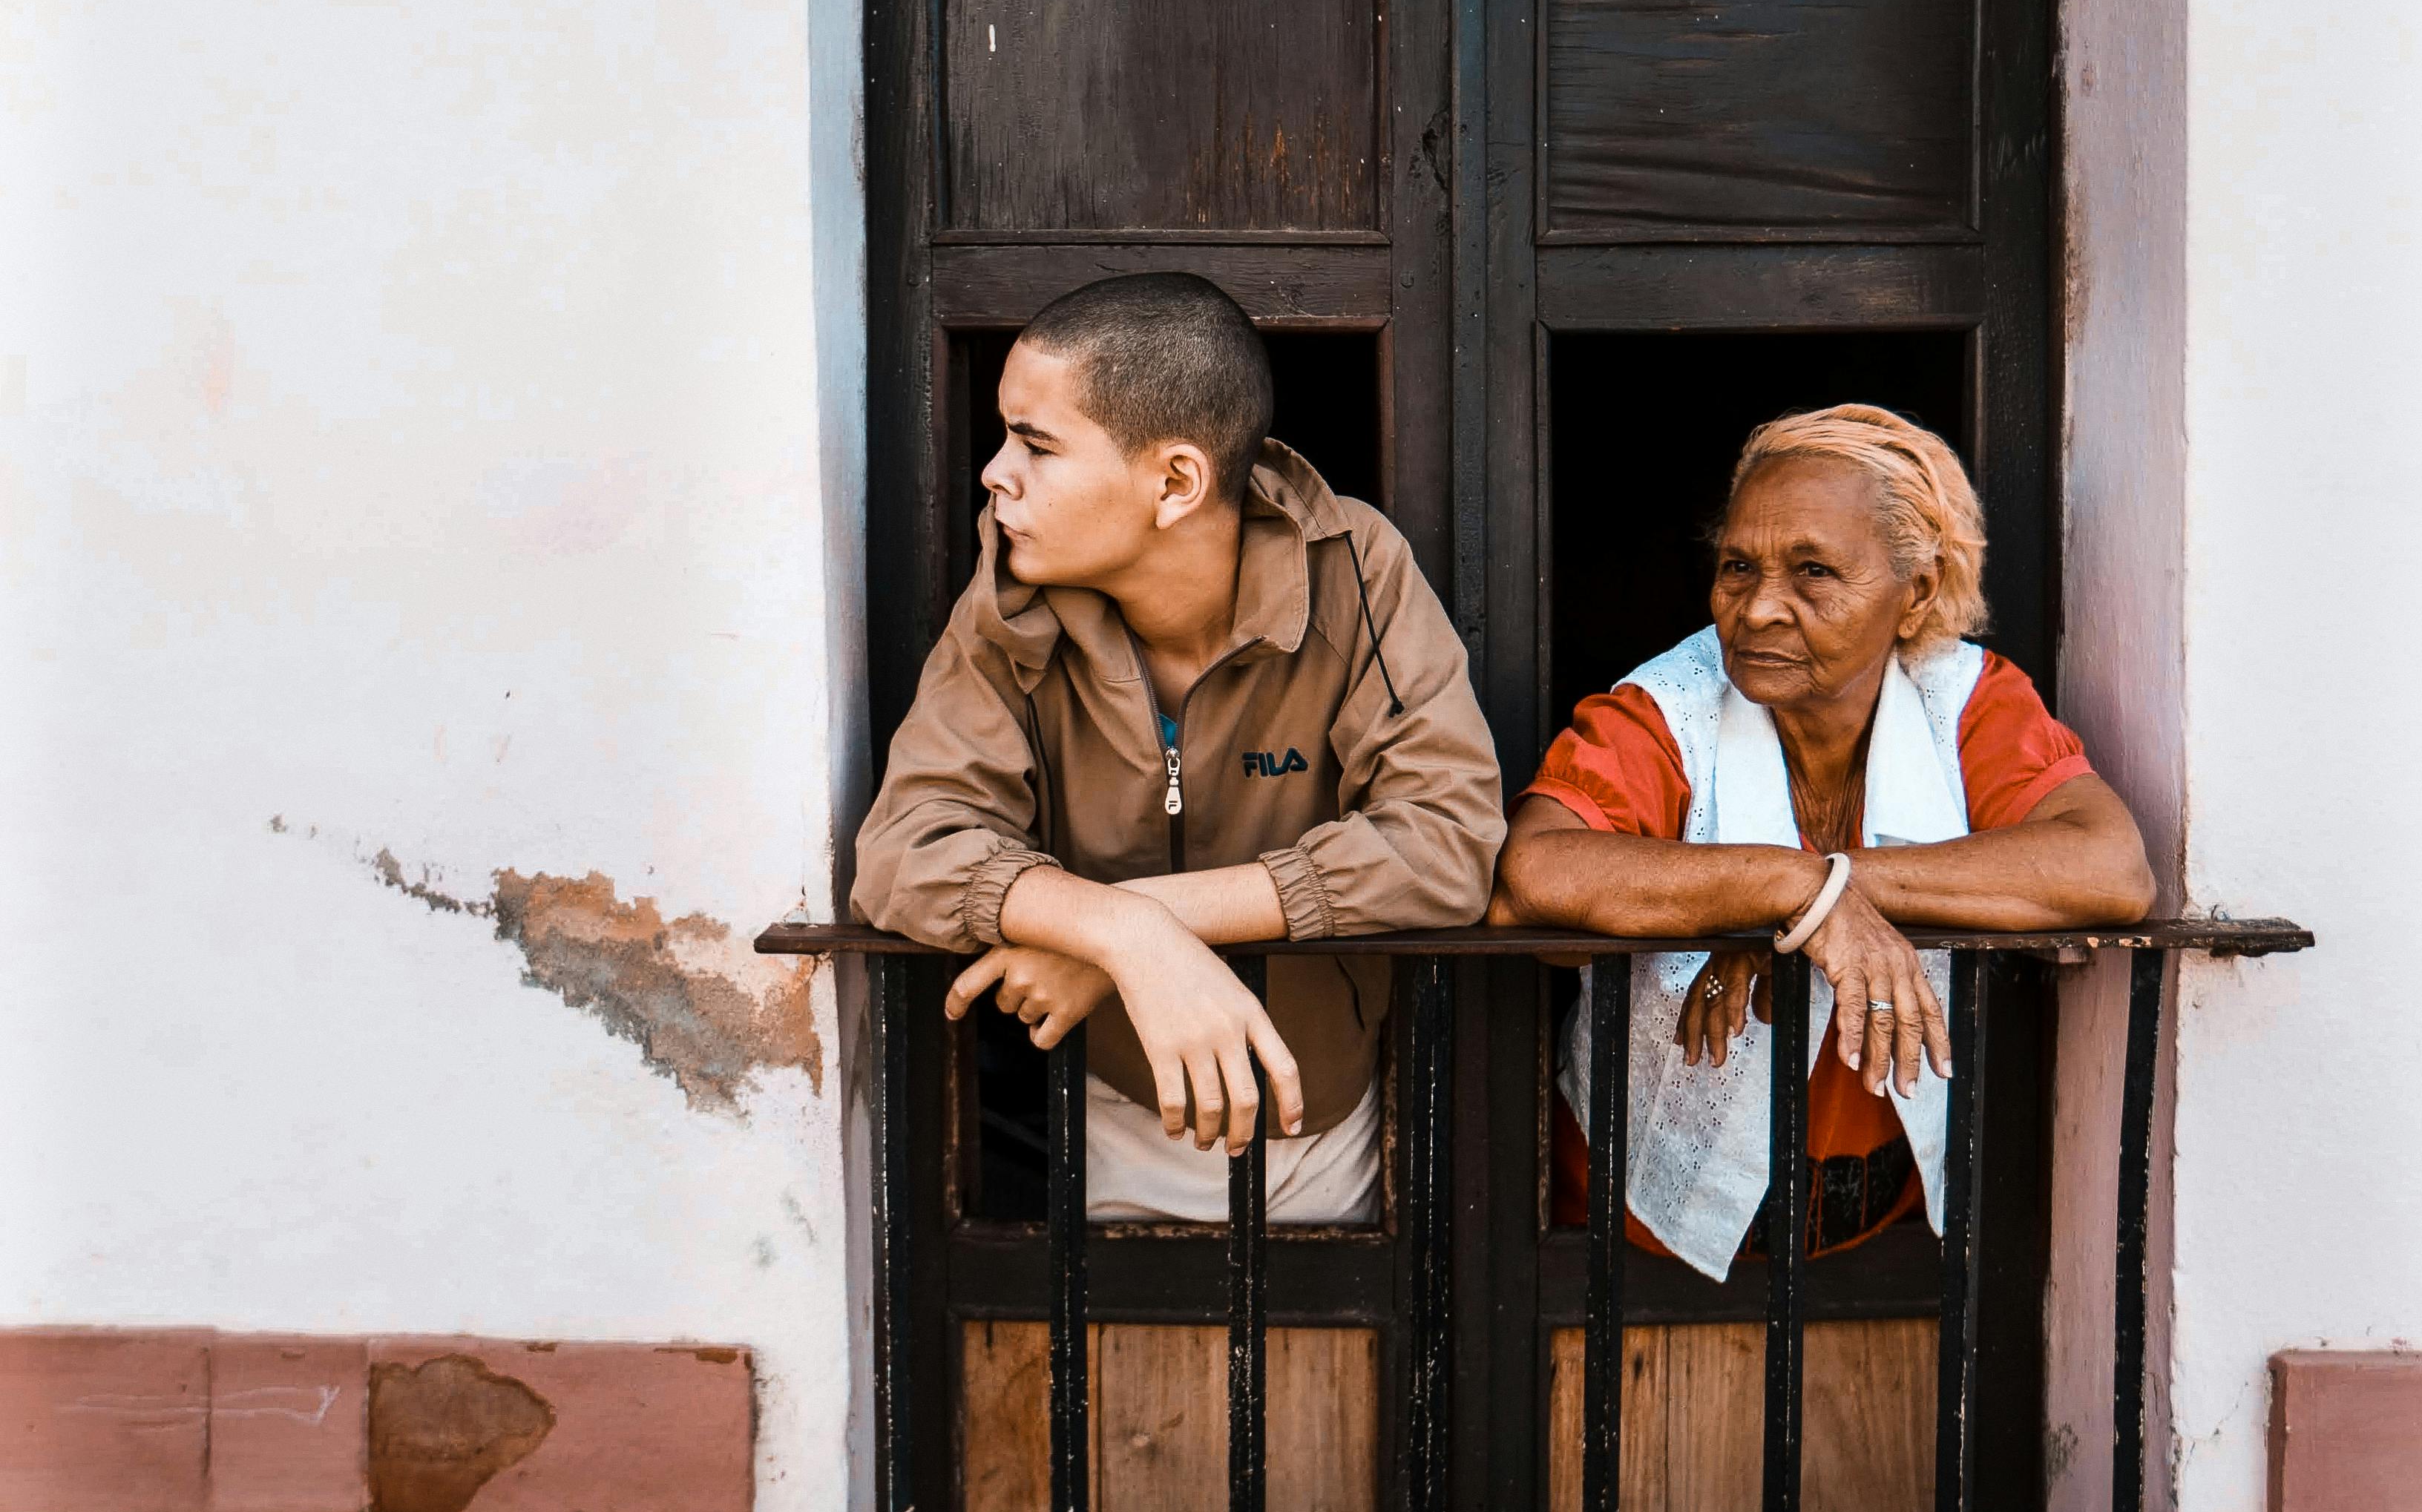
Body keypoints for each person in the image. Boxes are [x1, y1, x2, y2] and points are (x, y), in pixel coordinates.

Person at [850, 272, 1505, 1223]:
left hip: (1326, 1128)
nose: (995, 473)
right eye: (1004, 436)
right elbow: (903, 851)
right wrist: (1121, 937)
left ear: (1176, 482)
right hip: (1106, 1110)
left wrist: (1141, 919)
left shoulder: (1354, 568)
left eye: (1034, 443)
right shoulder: (1009, 601)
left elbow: (1448, 843)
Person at [1490, 404, 2155, 1278]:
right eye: (1737, 566)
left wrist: (1826, 890)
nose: (1759, 607)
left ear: (1915, 592)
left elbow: (2111, 866)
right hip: (1633, 1233)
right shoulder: (1664, 709)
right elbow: (1533, 874)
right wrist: (1792, 897)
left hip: (1882, 1229)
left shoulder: (1967, 700)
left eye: (1813, 571)